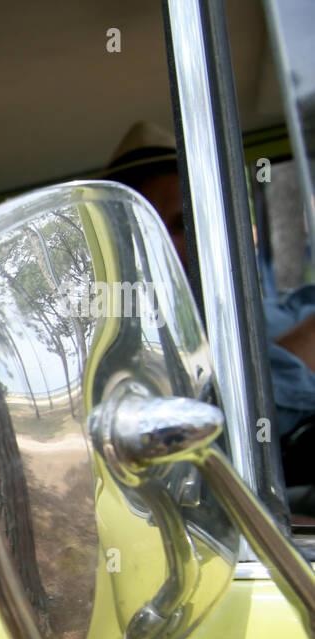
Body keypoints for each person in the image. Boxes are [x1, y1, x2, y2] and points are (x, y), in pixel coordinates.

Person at [101, 121, 315, 490]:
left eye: (181, 223)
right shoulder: (133, 345)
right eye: (143, 227)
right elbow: (245, 410)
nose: (164, 243)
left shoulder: (272, 304)